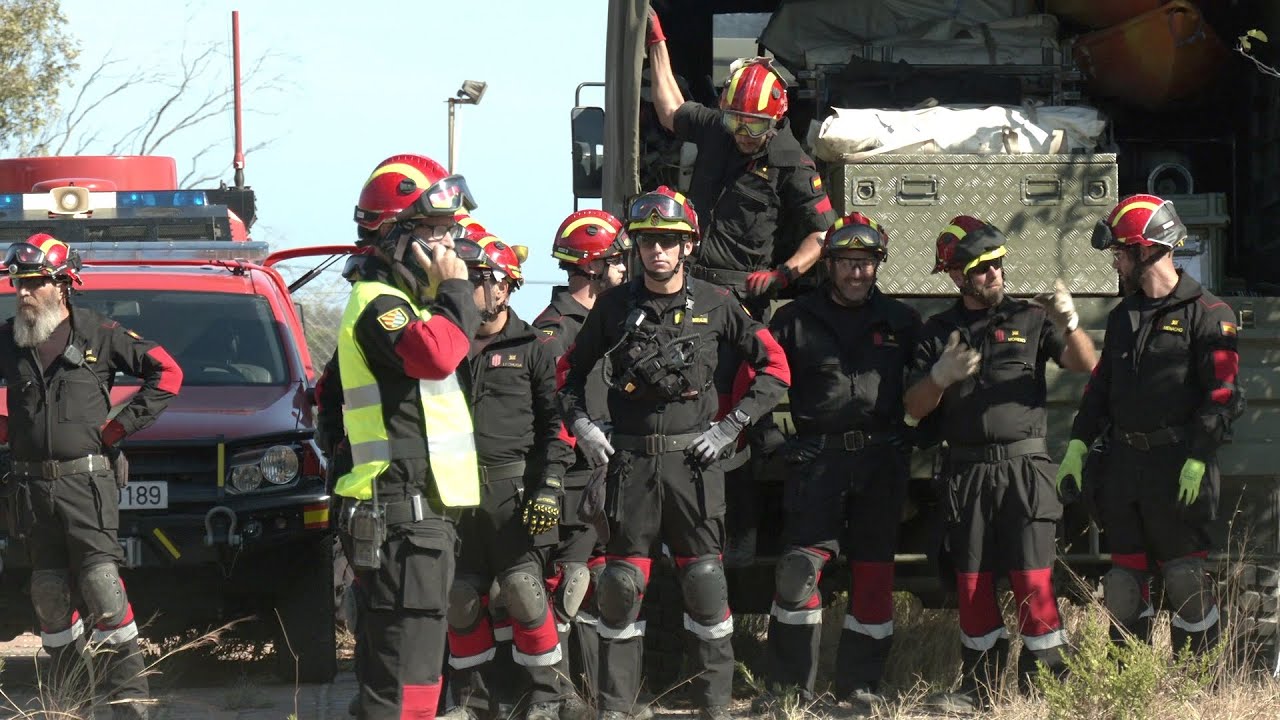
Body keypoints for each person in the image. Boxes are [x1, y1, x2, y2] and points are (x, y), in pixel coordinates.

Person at [556, 186, 790, 720]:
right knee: (620, 588)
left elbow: (775, 368)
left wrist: (731, 426)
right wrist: (583, 427)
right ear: (635, 247)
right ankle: (616, 708)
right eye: (647, 241)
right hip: (631, 469)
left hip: (694, 469)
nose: (657, 250)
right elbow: (567, 375)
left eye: (668, 240)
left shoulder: (717, 302)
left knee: (706, 585)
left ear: (687, 245)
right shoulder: (614, 307)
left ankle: (715, 706)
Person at [647, 11, 836, 566]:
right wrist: (657, 43)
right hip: (687, 292)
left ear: (776, 123)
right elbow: (669, 109)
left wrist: (784, 275)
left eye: (753, 126)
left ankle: (740, 545)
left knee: (735, 422)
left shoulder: (791, 161)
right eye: (735, 120)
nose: (741, 134)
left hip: (739, 305)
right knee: (678, 405)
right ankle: (682, 534)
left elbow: (824, 233)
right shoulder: (720, 128)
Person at [903, 215, 1096, 710]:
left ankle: (1046, 691)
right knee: (972, 584)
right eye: (982, 268)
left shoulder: (1031, 318)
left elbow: (1086, 364)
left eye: (998, 264)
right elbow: (914, 409)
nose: (995, 274)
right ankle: (979, 690)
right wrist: (939, 377)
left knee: (1034, 580)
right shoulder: (937, 332)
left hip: (1025, 470)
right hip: (966, 474)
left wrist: (1070, 323)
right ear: (956, 275)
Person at [0, 233, 183, 719]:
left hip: (87, 486)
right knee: (48, 594)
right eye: (18, 283)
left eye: (34, 282)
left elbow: (167, 373)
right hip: (29, 490)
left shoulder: (100, 333)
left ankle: (129, 703)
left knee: (103, 586)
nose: (23, 292)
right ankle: (71, 700)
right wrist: (6, 429)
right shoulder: (9, 339)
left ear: (62, 284)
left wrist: (118, 427)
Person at [1057, 194, 1244, 656]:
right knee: (1122, 585)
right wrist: (1077, 446)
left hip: (1178, 468)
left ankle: (1196, 682)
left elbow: (1222, 395)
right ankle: (1127, 682)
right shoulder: (1124, 317)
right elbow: (1100, 388)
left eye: (1121, 252)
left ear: (1146, 250)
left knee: (1185, 581)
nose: (1115, 263)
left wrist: (1198, 456)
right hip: (1124, 470)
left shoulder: (1210, 314)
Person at [337, 153, 482, 719]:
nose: (449, 245)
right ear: (395, 234)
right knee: (407, 681)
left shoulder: (409, 304)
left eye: (450, 230)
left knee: (410, 673)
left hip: (418, 515)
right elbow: (436, 355)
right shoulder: (381, 305)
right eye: (434, 230)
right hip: (401, 516)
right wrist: (456, 291)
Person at [761, 213, 920, 713]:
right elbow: (755, 380)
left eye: (866, 262)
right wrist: (774, 441)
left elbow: (928, 387)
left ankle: (860, 688)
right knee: (797, 574)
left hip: (880, 464)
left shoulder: (901, 321)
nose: (857, 272)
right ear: (828, 265)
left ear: (878, 266)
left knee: (873, 579)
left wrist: (911, 440)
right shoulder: (793, 319)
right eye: (847, 262)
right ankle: (789, 690)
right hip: (818, 463)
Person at [444, 230, 583, 720]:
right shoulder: (445, 346)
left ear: (504, 287)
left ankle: (549, 695)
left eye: (480, 280)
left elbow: (557, 426)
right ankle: (471, 703)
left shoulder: (534, 347)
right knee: (461, 597)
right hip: (454, 492)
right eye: (466, 279)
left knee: (525, 591)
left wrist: (549, 488)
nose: (470, 289)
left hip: (515, 491)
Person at [533, 210, 631, 701]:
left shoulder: (616, 320)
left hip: (614, 473)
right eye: (617, 260)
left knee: (606, 583)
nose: (625, 269)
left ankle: (601, 694)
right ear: (592, 266)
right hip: (574, 479)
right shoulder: (554, 332)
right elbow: (550, 411)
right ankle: (565, 697)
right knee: (571, 586)